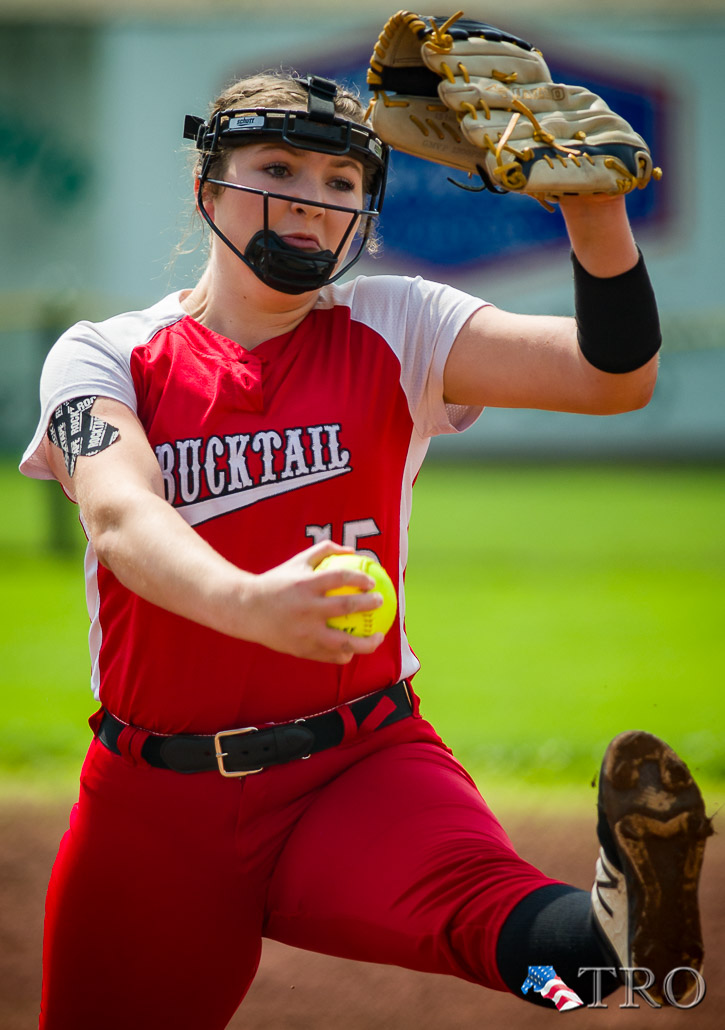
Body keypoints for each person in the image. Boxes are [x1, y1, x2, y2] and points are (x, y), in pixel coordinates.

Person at [21, 67, 710, 1029]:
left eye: (341, 183)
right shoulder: (107, 353)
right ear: (205, 187)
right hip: (153, 804)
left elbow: (611, 379)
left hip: (355, 769)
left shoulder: (401, 325)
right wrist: (250, 604)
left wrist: (594, 213)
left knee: (568, 969)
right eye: (278, 168)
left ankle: (619, 934)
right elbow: (120, 517)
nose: (311, 202)